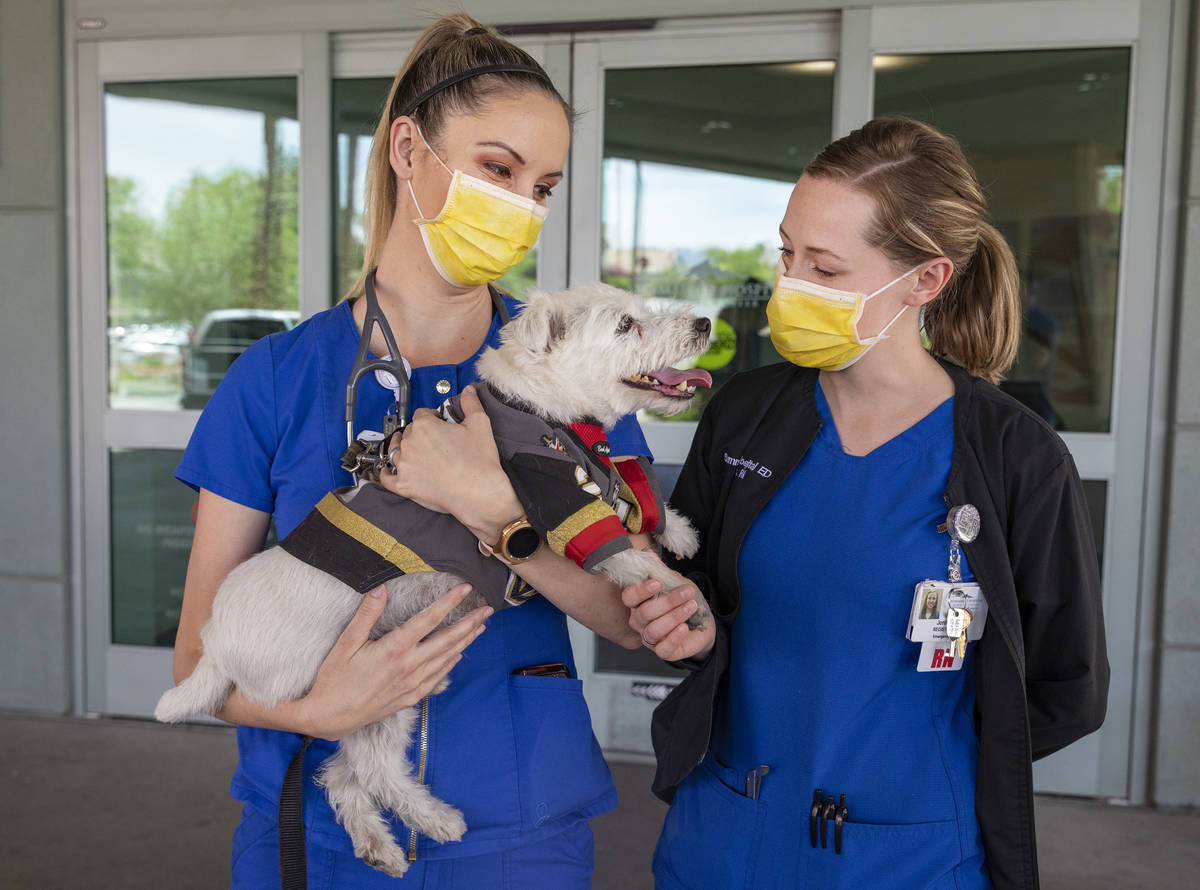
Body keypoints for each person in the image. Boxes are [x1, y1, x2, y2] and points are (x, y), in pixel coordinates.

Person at [172, 13, 648, 888]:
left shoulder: (575, 375)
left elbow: (634, 614)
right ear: (407, 151)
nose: (522, 207)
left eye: (544, 186)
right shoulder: (275, 380)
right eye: (497, 170)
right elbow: (198, 660)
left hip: (518, 827)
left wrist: (495, 512)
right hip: (315, 828)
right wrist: (320, 710)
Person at [624, 117, 1109, 890]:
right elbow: (694, 595)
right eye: (787, 253)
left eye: (826, 267)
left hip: (907, 850)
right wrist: (680, 622)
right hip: (728, 827)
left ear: (926, 280)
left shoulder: (1014, 457)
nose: (791, 284)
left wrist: (914, 768)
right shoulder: (745, 414)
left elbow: (1065, 687)